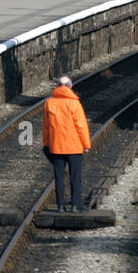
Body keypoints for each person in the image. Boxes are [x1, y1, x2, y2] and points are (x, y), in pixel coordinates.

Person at [42, 75, 91, 212]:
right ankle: (76, 205)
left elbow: (46, 127)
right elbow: (81, 126)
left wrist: (47, 144)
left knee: (58, 176)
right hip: (74, 147)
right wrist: (86, 145)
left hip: (56, 147)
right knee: (75, 176)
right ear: (70, 87)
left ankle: (61, 206)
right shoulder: (74, 103)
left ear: (58, 86)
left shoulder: (49, 103)